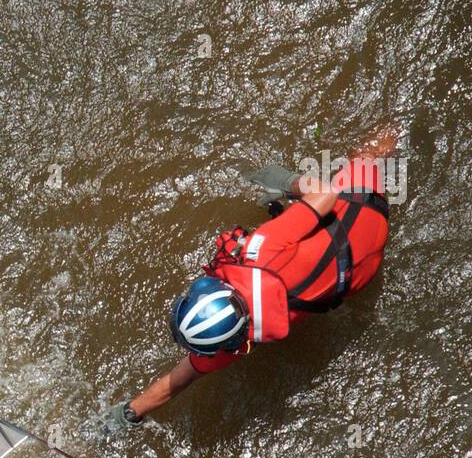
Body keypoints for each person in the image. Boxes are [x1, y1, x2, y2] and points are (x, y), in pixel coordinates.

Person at [106, 132, 397, 428]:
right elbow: (324, 194)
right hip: (364, 209)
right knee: (372, 150)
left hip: (361, 274)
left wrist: (130, 412)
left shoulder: (240, 341)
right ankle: (395, 130)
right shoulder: (264, 247)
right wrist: (289, 183)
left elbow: (180, 379)